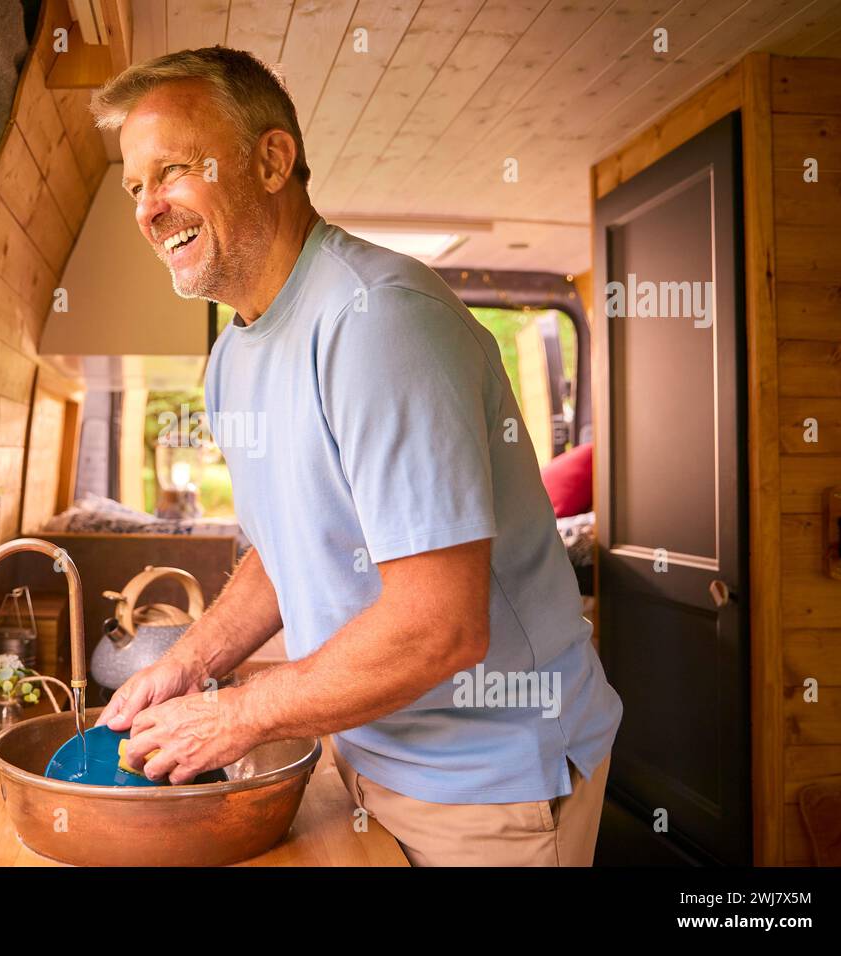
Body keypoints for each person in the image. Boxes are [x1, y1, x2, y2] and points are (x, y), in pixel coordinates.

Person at [90, 46, 622, 866]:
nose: (148, 209)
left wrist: (235, 715)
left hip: (487, 787)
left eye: (174, 171)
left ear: (272, 160)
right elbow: (291, 546)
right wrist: (192, 662)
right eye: (135, 186)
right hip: (364, 754)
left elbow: (439, 627)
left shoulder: (379, 322)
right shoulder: (234, 356)